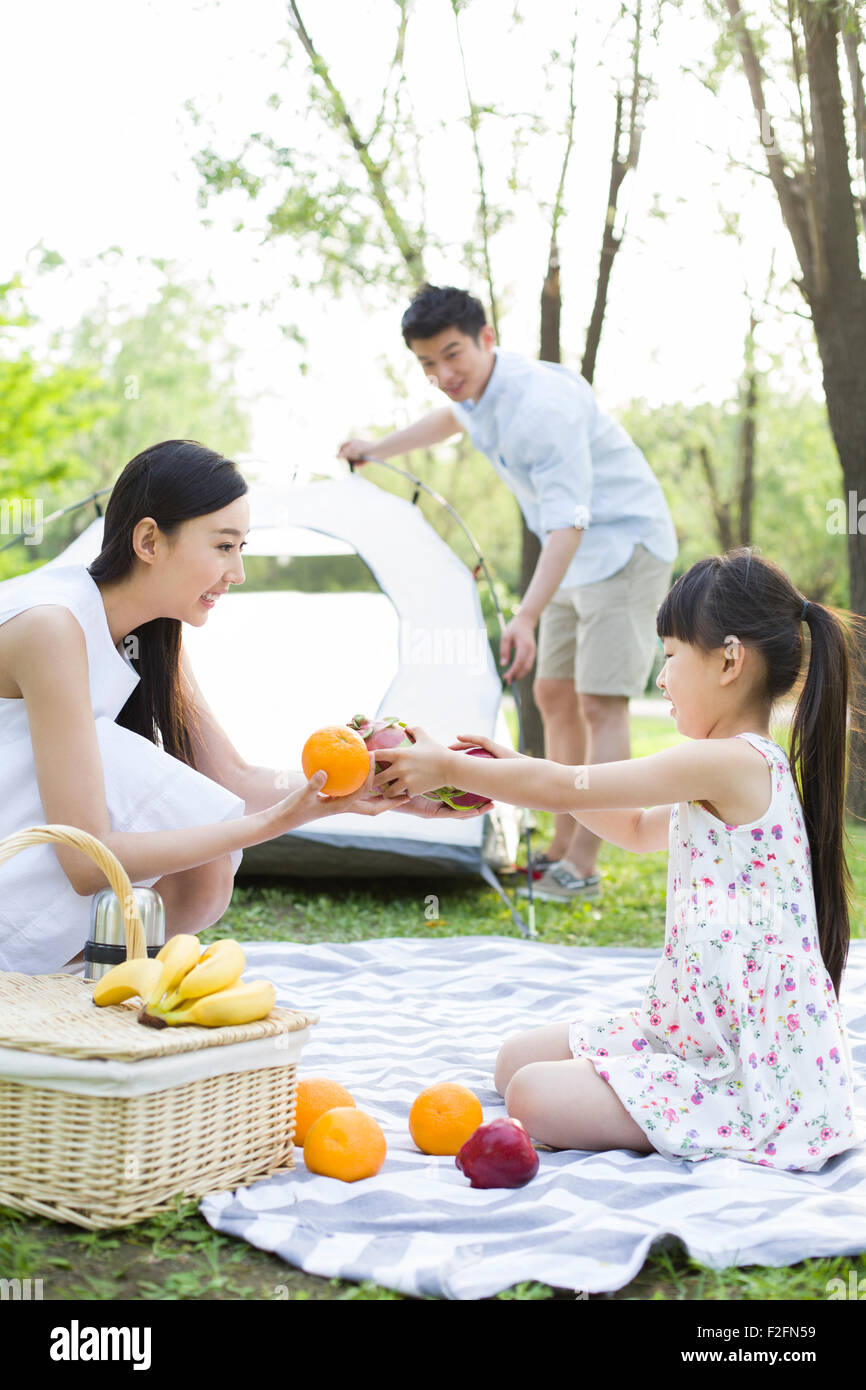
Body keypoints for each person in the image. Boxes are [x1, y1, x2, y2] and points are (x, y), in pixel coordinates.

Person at [370, 547, 862, 1170]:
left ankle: (683, 1104)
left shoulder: (732, 761)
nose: (661, 678)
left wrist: (452, 767)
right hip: (690, 1031)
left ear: (730, 661)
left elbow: (566, 785)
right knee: (513, 1061)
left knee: (531, 1094)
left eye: (672, 657)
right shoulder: (722, 771)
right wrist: (509, 770)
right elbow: (628, 826)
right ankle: (644, 1082)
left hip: (749, 1072)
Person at [0, 440, 490, 976]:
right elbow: (84, 859)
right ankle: (34, 985)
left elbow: (232, 777)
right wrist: (277, 821)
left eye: (241, 548)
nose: (238, 572)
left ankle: (75, 987)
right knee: (126, 761)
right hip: (23, 855)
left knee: (203, 872)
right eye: (223, 546)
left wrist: (373, 789)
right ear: (148, 540)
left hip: (27, 850)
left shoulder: (152, 635)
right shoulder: (52, 627)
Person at [338, 283, 678, 904]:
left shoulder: (542, 407)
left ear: (487, 339)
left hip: (623, 548)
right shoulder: (474, 393)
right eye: (427, 364)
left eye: (452, 355)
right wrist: (377, 449)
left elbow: (568, 520)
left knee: (600, 702)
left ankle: (585, 863)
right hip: (572, 557)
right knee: (551, 693)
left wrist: (524, 615)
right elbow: (451, 418)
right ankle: (556, 842)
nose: (443, 375)